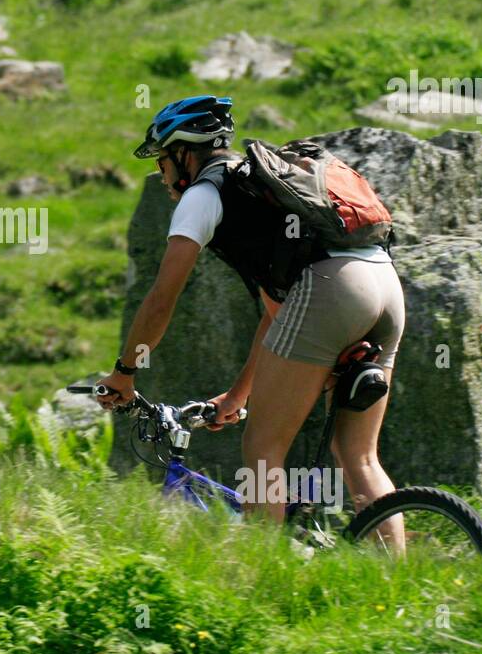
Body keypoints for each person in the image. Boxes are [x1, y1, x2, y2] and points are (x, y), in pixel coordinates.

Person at [94, 95, 406, 550]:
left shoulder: (204, 194)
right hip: (384, 285)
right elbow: (278, 316)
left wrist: (124, 373)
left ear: (184, 154)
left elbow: (161, 298)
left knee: (262, 452)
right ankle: (396, 582)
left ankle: (266, 576)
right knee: (358, 455)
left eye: (163, 161)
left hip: (333, 290)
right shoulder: (263, 189)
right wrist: (237, 396)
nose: (162, 176)